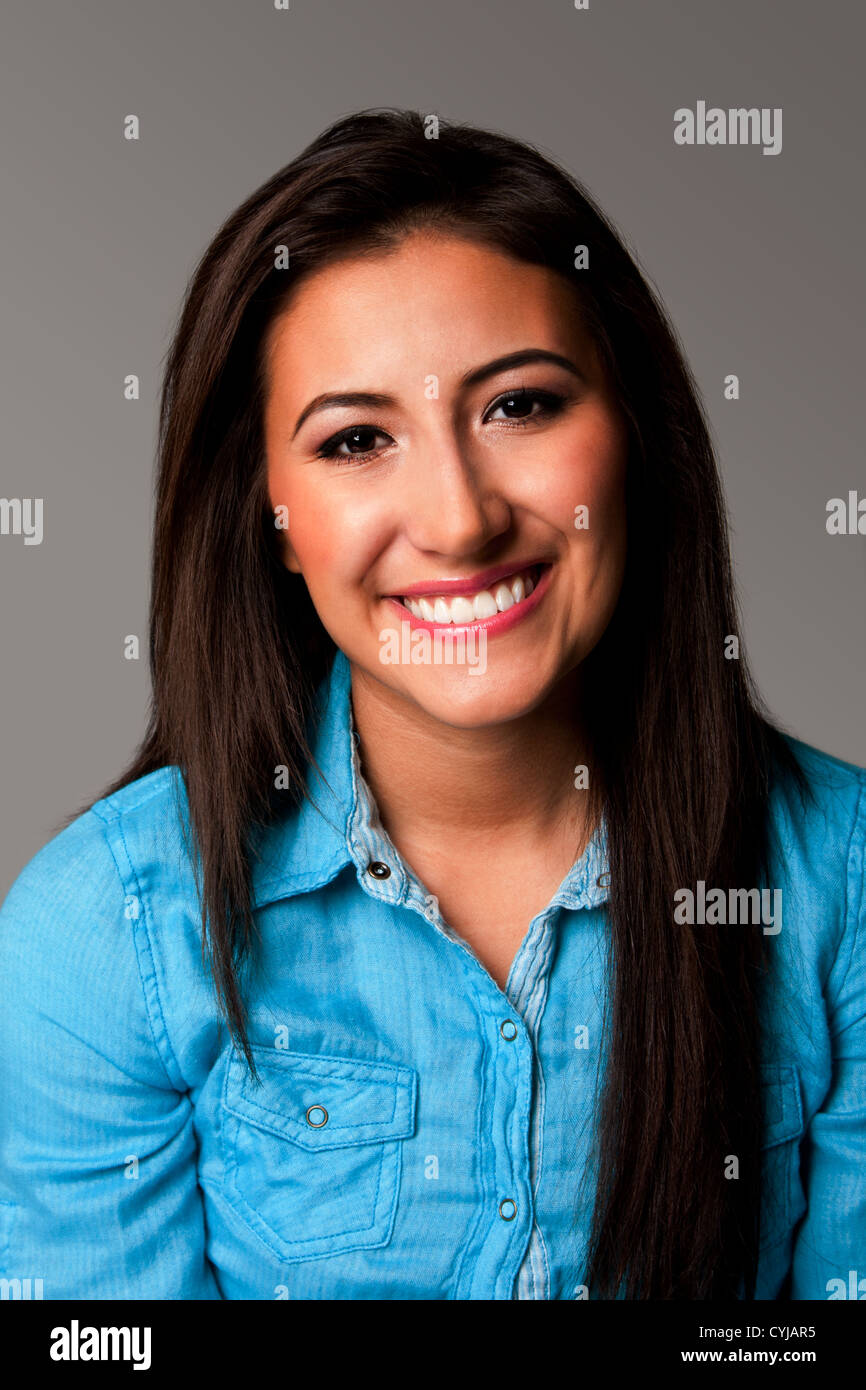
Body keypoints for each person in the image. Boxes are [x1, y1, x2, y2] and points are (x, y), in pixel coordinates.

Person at [0, 108, 863, 1301]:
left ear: (636, 442)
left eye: (519, 405)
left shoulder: (839, 885)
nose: (458, 518)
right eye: (356, 439)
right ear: (272, 518)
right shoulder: (105, 934)